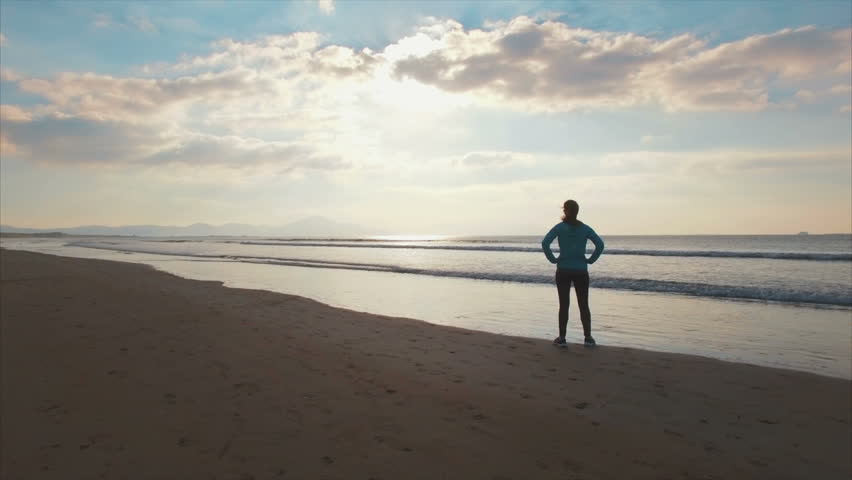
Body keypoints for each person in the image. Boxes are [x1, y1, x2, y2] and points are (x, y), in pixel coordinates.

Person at [541, 200, 604, 348]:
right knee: (584, 304)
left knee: (564, 304)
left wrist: (553, 259)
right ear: (577, 211)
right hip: (581, 270)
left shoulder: (560, 228)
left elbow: (545, 243)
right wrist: (591, 260)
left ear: (565, 211)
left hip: (563, 270)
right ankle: (588, 338)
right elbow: (600, 245)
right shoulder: (585, 229)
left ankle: (562, 338)